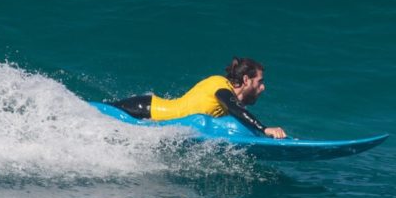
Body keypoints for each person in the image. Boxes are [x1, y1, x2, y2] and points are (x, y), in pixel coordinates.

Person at [109, 57, 287, 139]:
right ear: (246, 80)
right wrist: (264, 130)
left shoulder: (224, 91)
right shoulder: (221, 87)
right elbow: (236, 109)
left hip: (147, 111)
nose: (263, 87)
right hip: (143, 110)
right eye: (260, 82)